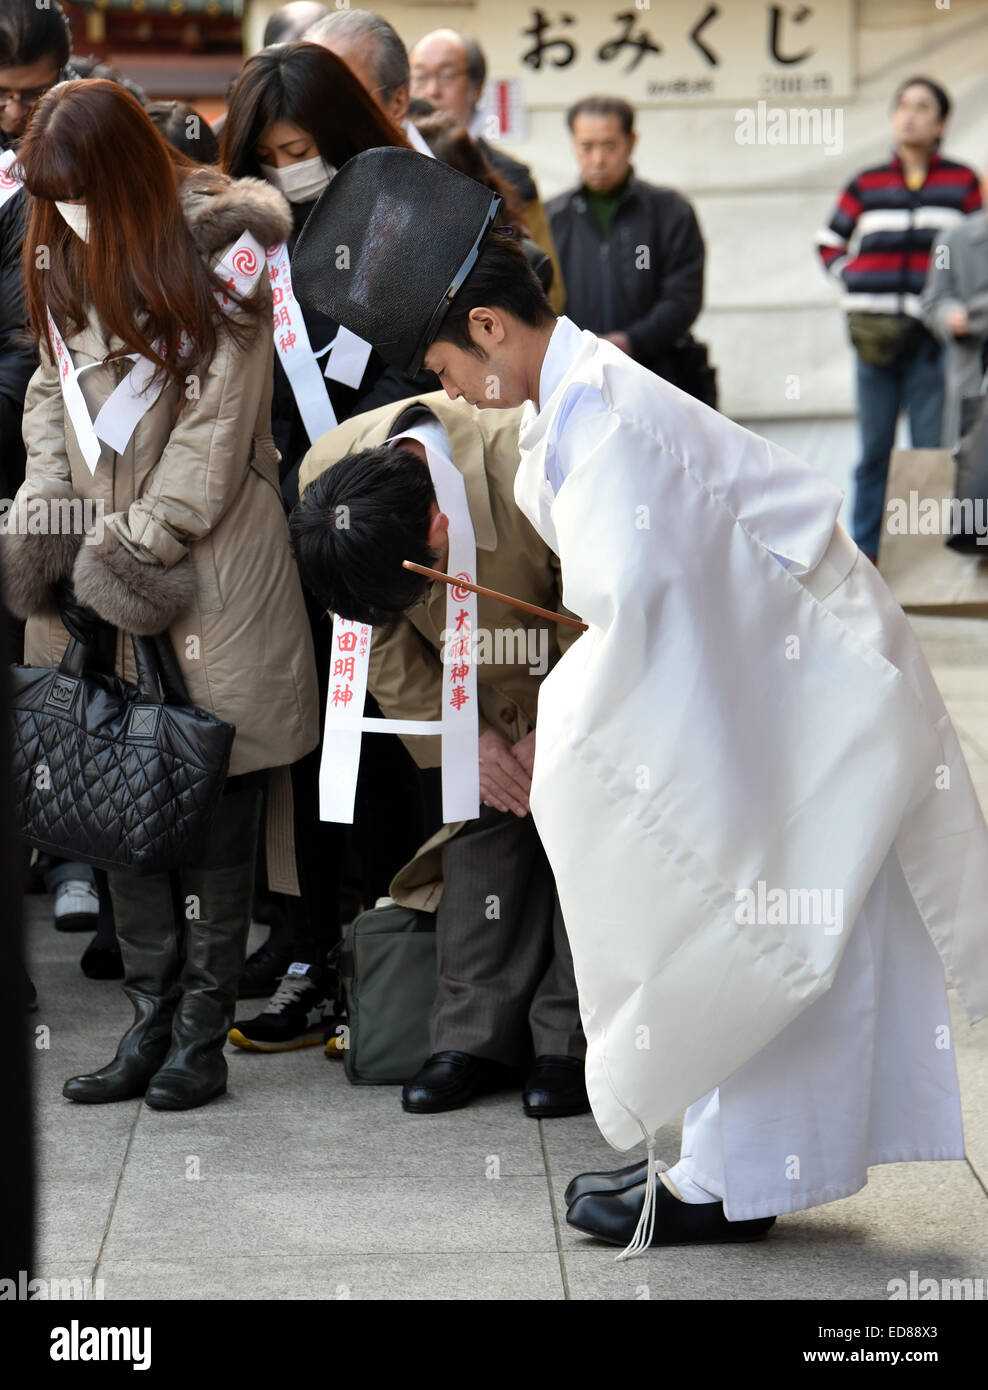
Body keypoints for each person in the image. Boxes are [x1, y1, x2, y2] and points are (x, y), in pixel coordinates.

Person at [291, 147, 988, 1250]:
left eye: (432, 352)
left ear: (483, 328)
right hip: (767, 672)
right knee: (743, 919)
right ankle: (724, 1162)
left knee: (758, 923)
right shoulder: (567, 397)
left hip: (802, 678)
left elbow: (638, 632)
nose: (435, 379)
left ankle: (727, 1180)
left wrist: (549, 739)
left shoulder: (604, 420)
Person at [0, 79, 319, 1109]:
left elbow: (219, 431)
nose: (69, 209)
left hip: (209, 560)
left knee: (214, 796)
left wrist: (133, 546)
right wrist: (48, 513)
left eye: (81, 190)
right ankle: (147, 1017)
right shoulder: (53, 244)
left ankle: (199, 1033)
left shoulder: (222, 246)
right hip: (92, 545)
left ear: (125, 172)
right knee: (111, 793)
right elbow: (50, 387)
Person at [292, 391, 589, 1116]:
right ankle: (471, 1036)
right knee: (480, 827)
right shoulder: (328, 476)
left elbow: (596, 602)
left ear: (435, 524)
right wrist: (469, 739)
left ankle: (570, 1041)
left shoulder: (535, 459)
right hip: (464, 687)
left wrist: (558, 720)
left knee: (586, 842)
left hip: (571, 669)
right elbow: (375, 634)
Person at [220, 41, 434, 1042]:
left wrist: (349, 454)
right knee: (308, 744)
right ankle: (310, 939)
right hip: (281, 517)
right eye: (266, 157)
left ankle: (388, 950)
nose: (287, 169)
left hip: (380, 507)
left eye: (300, 148)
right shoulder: (255, 236)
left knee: (384, 740)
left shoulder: (408, 213)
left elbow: (424, 364)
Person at [816, 76, 981, 560]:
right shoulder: (866, 184)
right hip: (874, 338)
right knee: (874, 453)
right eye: (902, 105)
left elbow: (980, 246)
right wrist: (851, 277)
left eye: (923, 106)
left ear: (942, 124)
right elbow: (828, 240)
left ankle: (922, 557)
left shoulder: (962, 184)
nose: (909, 114)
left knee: (930, 450)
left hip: (935, 341)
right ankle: (864, 553)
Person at [547, 95, 714, 407]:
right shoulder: (551, 219)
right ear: (574, 145)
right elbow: (539, 302)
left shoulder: (670, 211)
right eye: (587, 146)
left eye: (609, 146)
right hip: (575, 386)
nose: (597, 159)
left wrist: (631, 341)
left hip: (661, 381)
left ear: (631, 142)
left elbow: (684, 297)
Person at [408, 26, 566, 314]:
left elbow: (549, 289)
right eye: (419, 77)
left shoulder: (512, 175)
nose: (431, 90)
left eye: (446, 75)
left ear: (476, 87)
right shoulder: (388, 168)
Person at [305, 8, 435, 157]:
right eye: (312, 97)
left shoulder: (441, 175)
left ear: (397, 104)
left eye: (343, 100)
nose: (322, 117)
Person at [921, 162, 988, 447]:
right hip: (973, 373)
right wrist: (950, 316)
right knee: (970, 471)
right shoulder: (952, 240)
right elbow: (933, 300)